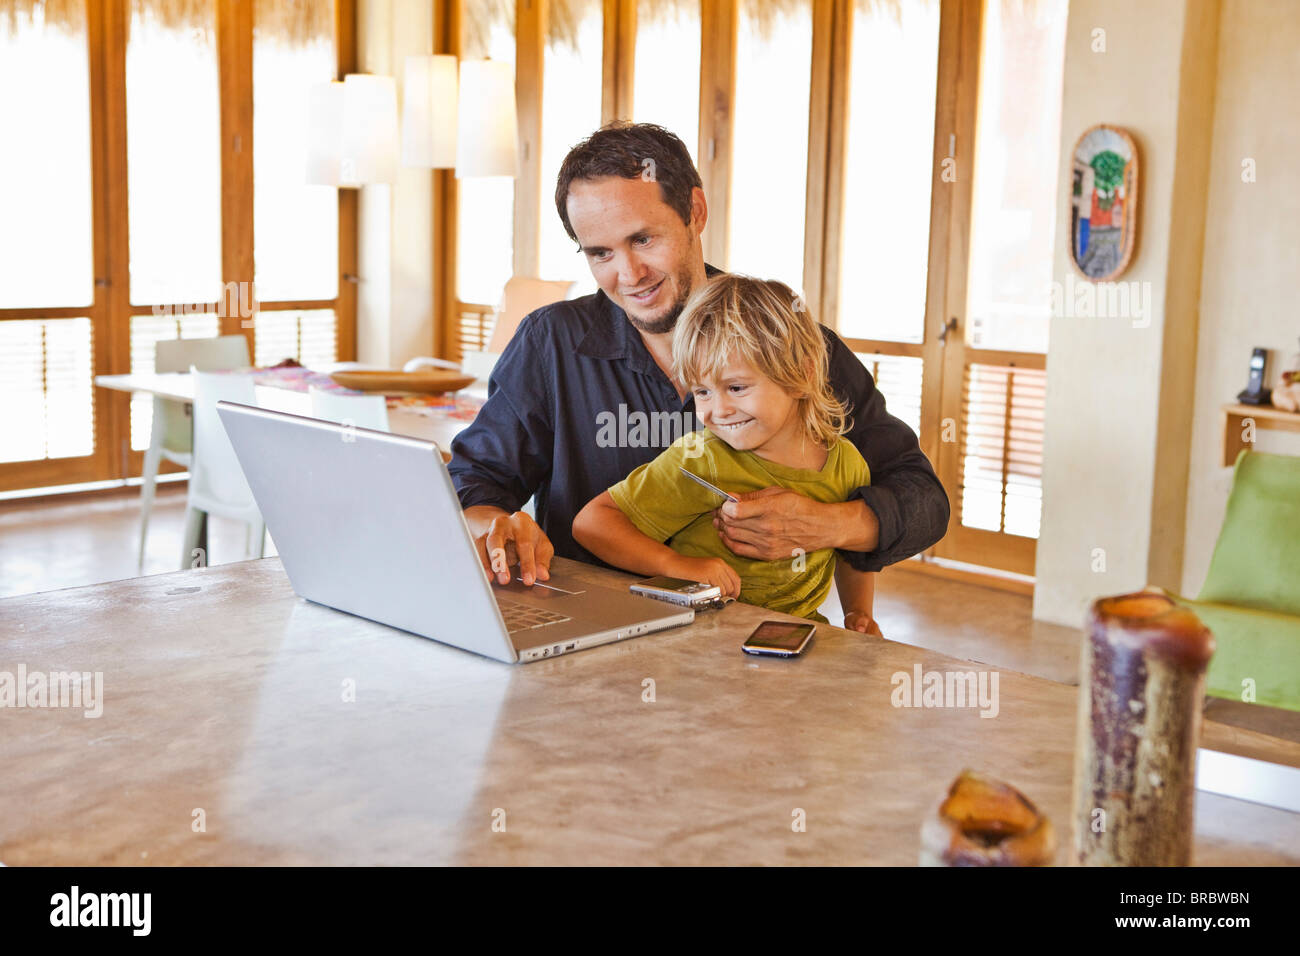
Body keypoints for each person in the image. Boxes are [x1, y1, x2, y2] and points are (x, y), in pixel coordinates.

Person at [448, 122, 949, 593]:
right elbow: (472, 483)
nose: (630, 273)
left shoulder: (795, 343)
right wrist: (498, 527)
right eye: (600, 253)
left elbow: (924, 501)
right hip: (591, 637)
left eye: (644, 239)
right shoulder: (550, 341)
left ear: (696, 212)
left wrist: (828, 524)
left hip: (750, 646)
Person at [572, 274, 878, 632]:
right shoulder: (701, 458)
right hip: (698, 637)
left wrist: (858, 611)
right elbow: (592, 523)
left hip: (795, 635)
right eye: (702, 392)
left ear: (801, 373)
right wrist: (676, 564)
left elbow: (852, 548)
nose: (718, 411)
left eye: (736, 387)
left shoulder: (848, 464)